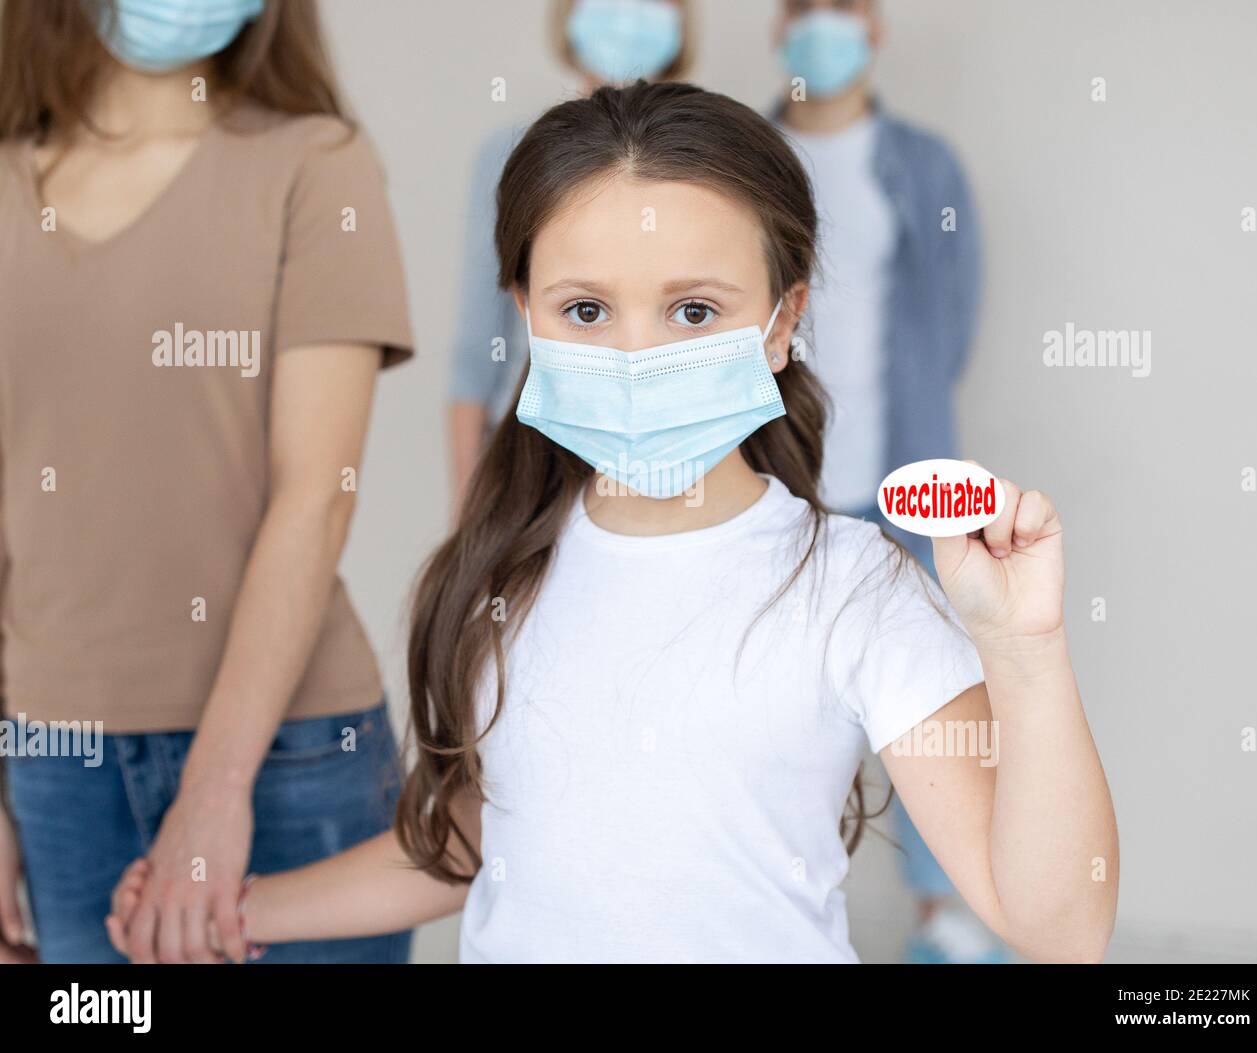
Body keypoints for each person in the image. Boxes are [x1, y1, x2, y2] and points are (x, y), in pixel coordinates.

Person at [109, 81, 1118, 965]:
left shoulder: (852, 586)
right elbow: (475, 843)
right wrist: (232, 910)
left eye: (693, 311)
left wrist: (1023, 650)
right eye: (585, 310)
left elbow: (1060, 927)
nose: (637, 354)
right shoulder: (500, 570)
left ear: (780, 321)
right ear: (524, 313)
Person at [0, 0, 413, 964]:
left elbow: (317, 492)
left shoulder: (318, 163)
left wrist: (216, 791)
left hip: (294, 751)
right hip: (53, 758)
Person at [773, 0, 996, 962]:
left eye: (844, 8)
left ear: (875, 30)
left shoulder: (924, 163)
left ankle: (946, 915)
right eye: (804, 9)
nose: (823, 24)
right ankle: (773, 895)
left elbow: (951, 317)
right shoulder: (743, 149)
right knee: (776, 692)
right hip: (776, 474)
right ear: (780, 27)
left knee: (934, 694)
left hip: (906, 475)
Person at [448, 0, 694, 506]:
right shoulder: (509, 154)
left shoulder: (714, 160)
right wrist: (468, 508)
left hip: (676, 446)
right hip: (536, 457)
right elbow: (478, 350)